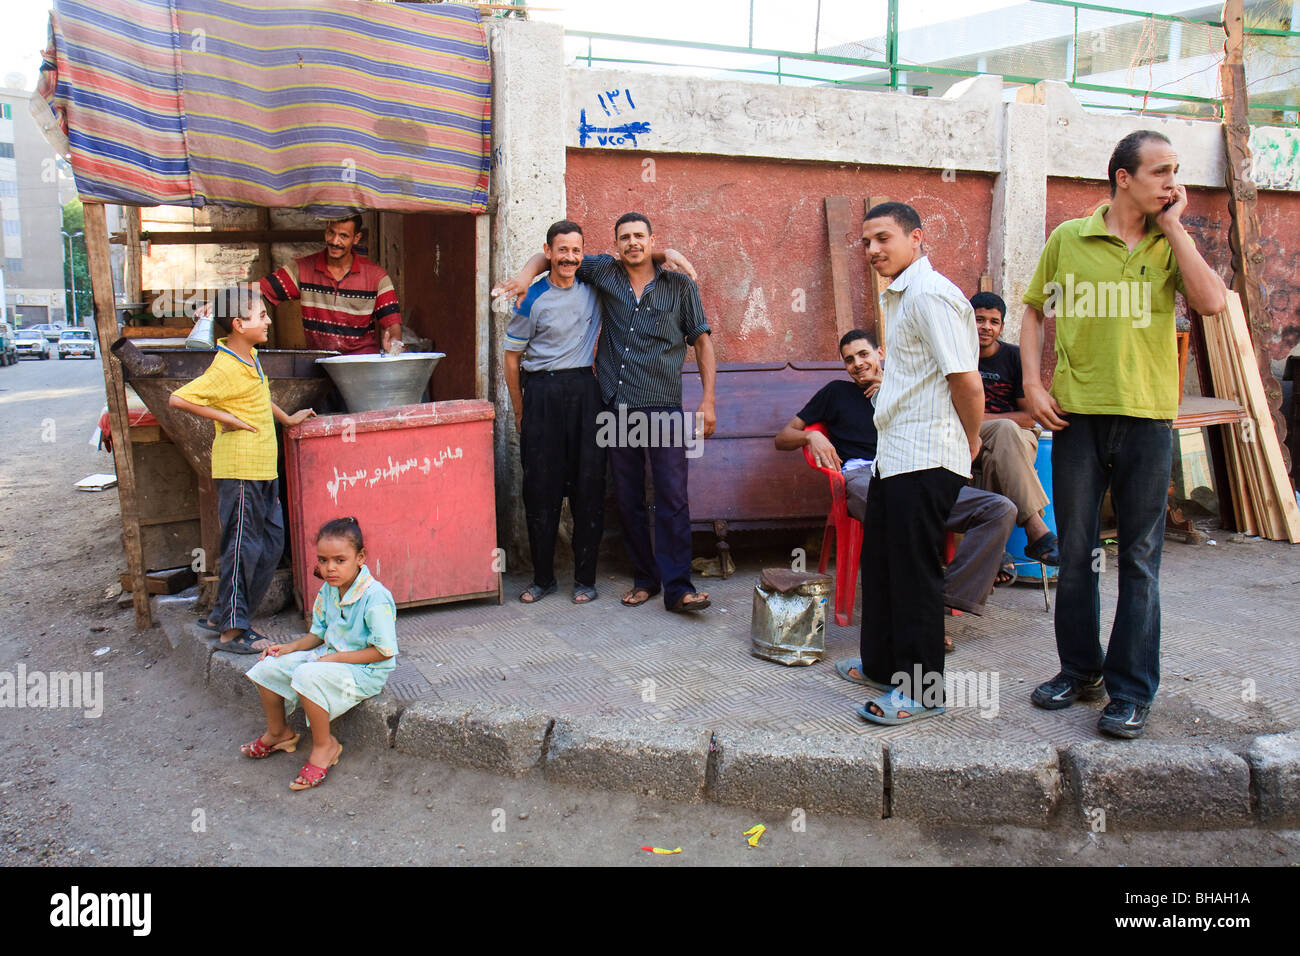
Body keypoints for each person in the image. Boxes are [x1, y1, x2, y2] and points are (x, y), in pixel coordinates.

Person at [1021, 130, 1226, 739]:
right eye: (1160, 172)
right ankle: (1079, 671)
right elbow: (1034, 310)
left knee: (1139, 558)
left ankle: (1131, 690)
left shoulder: (1170, 245)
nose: (1173, 183)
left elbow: (1212, 303)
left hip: (1147, 420)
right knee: (1079, 553)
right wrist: (1032, 385)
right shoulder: (1070, 239)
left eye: (1176, 171)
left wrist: (1176, 228)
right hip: (1078, 417)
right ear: (1123, 178)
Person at [497, 213, 714, 614]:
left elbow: (702, 342)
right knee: (628, 498)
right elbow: (552, 257)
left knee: (671, 496)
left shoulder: (679, 286)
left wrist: (709, 400)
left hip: (663, 404)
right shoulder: (605, 273)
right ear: (615, 245)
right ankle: (645, 579)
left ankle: (679, 587)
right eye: (625, 238)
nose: (633, 243)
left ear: (652, 240)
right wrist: (524, 278)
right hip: (618, 405)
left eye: (640, 237)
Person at [773, 329, 1016, 648]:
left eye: (863, 355)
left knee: (999, 510)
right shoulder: (836, 393)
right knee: (903, 516)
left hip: (914, 472)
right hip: (863, 476)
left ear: (880, 353)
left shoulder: (908, 388)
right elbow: (782, 438)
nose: (857, 364)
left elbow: (946, 420)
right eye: (849, 360)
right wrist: (811, 436)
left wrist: (893, 391)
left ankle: (940, 600)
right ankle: (919, 619)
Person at [854, 202, 984, 726]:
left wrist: (971, 442)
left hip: (928, 456)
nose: (872, 251)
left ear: (916, 238)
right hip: (896, 455)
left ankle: (924, 690)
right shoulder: (901, 296)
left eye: (883, 238)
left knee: (914, 575)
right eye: (866, 243)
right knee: (882, 567)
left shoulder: (932, 296)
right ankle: (883, 668)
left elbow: (966, 381)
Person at [169, 297, 315, 654]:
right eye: (261, 315)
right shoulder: (225, 367)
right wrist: (226, 418)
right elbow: (178, 399)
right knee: (243, 549)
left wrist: (287, 418)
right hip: (241, 471)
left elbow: (259, 395)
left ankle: (224, 614)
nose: (268, 321)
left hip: (263, 468)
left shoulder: (250, 357)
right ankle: (233, 630)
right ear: (238, 324)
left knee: (271, 544)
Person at [242, 517, 399, 790]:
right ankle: (279, 732)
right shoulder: (329, 589)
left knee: (306, 674)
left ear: (360, 557)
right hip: (329, 658)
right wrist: (289, 648)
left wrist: (334, 658)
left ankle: (325, 746)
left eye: (340, 560)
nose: (330, 568)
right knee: (268, 665)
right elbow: (319, 633)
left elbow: (383, 653)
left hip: (365, 670)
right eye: (323, 560)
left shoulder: (376, 597)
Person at [503, 219, 605, 604]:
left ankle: (585, 580)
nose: (570, 257)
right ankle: (543, 578)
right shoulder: (530, 298)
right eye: (562, 250)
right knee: (540, 489)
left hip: (584, 390)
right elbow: (512, 358)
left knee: (589, 487)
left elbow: (634, 260)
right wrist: (518, 410)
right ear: (548, 253)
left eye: (576, 250)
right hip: (541, 392)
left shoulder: (594, 287)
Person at [969, 291, 1058, 568]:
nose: (986, 327)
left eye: (993, 322)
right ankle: (1036, 531)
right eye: (979, 319)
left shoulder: (1014, 357)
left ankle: (994, 549)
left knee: (1005, 438)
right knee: (1004, 438)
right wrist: (981, 421)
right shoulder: (957, 356)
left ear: (1002, 326)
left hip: (1016, 436)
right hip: (970, 436)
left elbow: (1031, 417)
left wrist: (986, 418)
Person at [260, 214, 403, 355]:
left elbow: (392, 325)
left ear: (356, 238)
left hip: (362, 367)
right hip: (320, 364)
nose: (335, 241)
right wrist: (240, 332)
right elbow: (257, 290)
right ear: (325, 231)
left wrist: (394, 345)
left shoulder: (377, 277)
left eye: (343, 236)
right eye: (331, 233)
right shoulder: (302, 269)